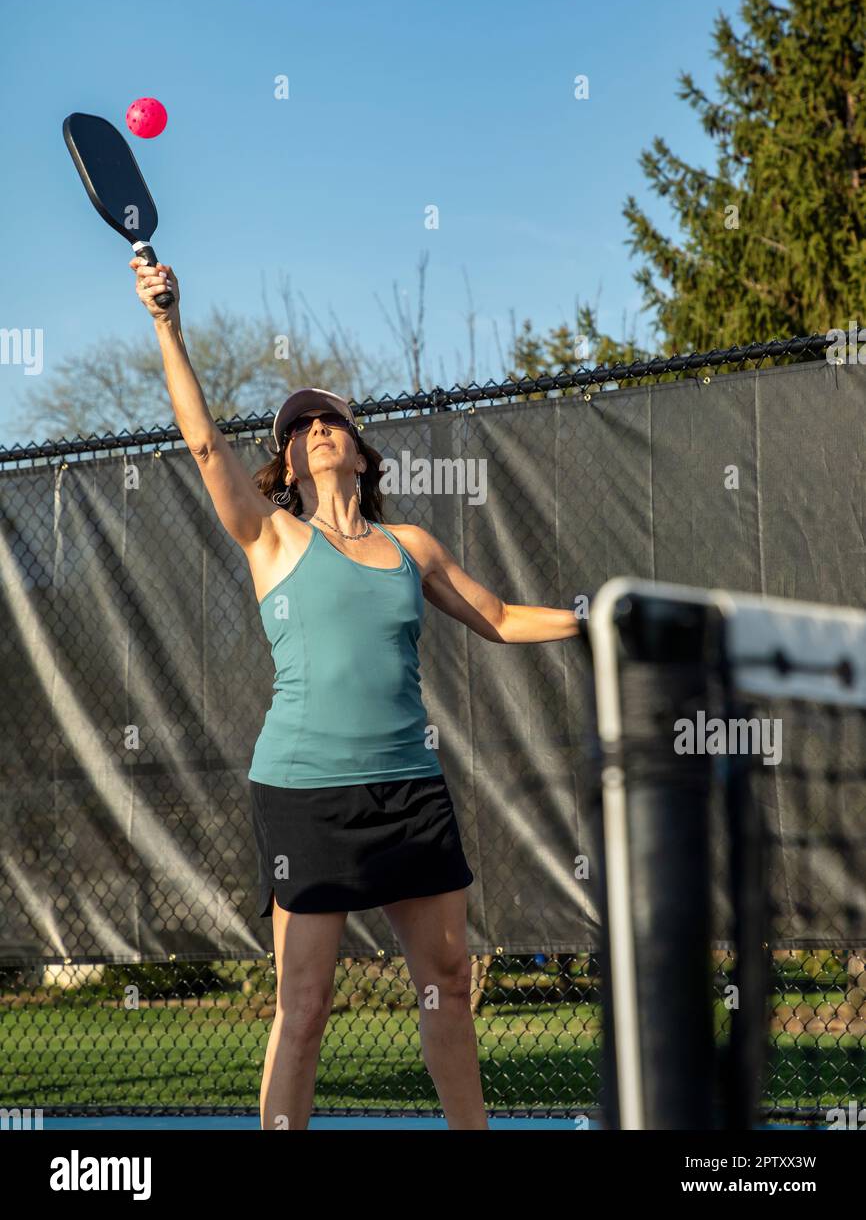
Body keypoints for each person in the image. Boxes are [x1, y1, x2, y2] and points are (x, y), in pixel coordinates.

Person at [132, 257, 581, 1131]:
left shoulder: (411, 544)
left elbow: (496, 617)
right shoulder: (270, 537)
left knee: (449, 984)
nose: (319, 427)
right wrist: (167, 323)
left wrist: (591, 623)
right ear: (287, 464)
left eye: (333, 418)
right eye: (301, 427)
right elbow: (201, 444)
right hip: (304, 793)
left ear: (360, 451)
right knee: (305, 1009)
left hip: (410, 791)